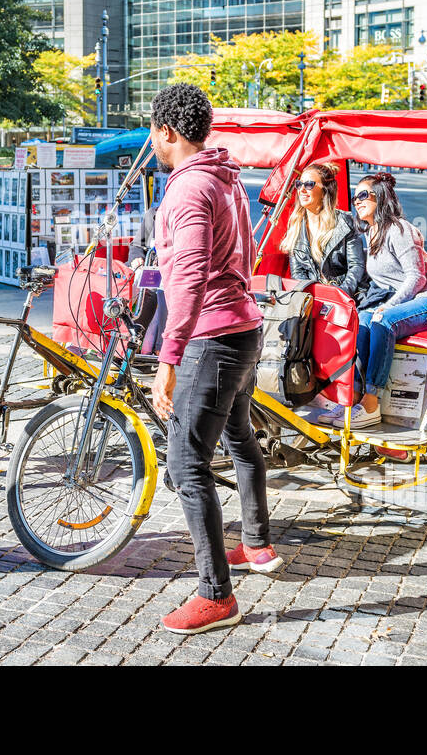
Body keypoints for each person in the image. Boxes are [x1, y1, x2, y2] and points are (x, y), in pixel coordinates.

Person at [147, 83, 273, 636]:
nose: (152, 142)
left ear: (167, 132)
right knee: (239, 437)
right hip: (243, 326)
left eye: (153, 132)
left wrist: (168, 358)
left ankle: (216, 595)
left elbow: (190, 275)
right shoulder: (226, 179)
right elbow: (242, 252)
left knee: (185, 463)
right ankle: (254, 541)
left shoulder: (188, 189)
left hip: (213, 336)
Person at [348, 172, 427, 431]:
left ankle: (370, 402)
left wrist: (388, 307)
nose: (357, 200)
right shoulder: (371, 233)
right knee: (363, 320)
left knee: (383, 321)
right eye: (355, 197)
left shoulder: (399, 229)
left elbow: (417, 278)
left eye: (363, 194)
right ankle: (354, 396)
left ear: (381, 197)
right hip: (412, 300)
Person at [280, 162, 367, 300]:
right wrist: (312, 296)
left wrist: (338, 295)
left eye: (309, 184)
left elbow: (356, 267)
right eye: (299, 184)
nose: (302, 189)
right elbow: (298, 272)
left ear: (324, 192)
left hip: (346, 296)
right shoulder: (296, 224)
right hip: (312, 297)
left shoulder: (345, 222)